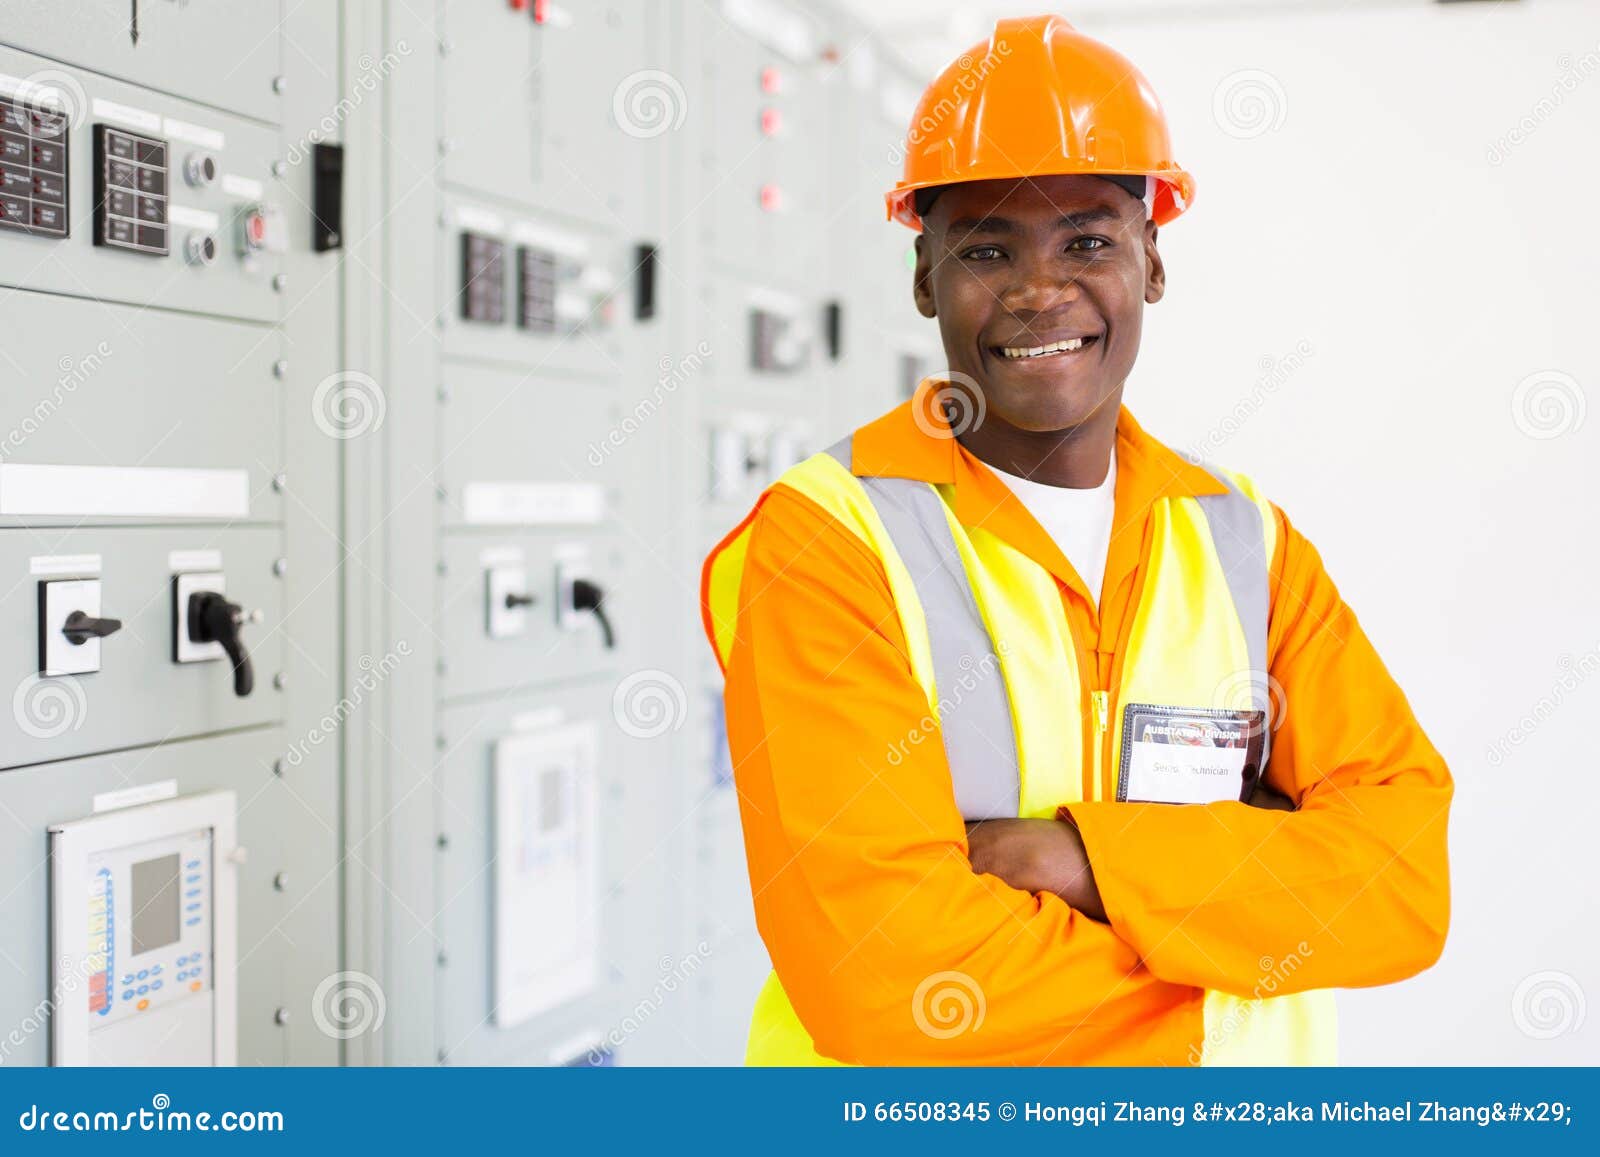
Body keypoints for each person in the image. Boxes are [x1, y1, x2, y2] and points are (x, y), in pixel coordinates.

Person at [700, 14, 1451, 1066]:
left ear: (1151, 261)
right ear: (924, 278)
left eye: (1087, 239)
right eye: (986, 247)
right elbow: (891, 982)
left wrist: (1086, 860)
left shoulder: (1246, 540)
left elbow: (1402, 880)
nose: (1037, 288)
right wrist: (1232, 983)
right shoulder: (831, 538)